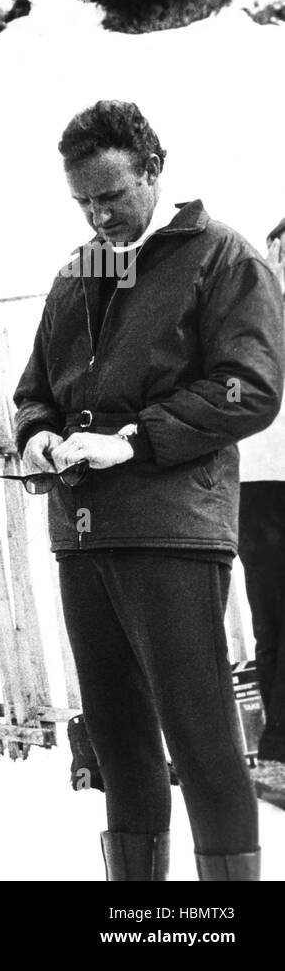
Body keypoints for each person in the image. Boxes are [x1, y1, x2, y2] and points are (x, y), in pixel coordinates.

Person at [12, 100, 283, 881]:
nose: (100, 216)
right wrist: (38, 434)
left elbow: (251, 386)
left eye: (112, 195)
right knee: (120, 742)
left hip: (174, 530)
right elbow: (36, 388)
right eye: (84, 202)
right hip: (83, 533)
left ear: (153, 169)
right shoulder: (78, 271)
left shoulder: (222, 257)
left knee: (202, 741)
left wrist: (131, 439)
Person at [239, 217, 285, 768]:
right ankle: (277, 753)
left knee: (274, 618)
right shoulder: (256, 312)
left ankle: (276, 755)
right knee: (271, 617)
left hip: (255, 480)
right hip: (260, 480)